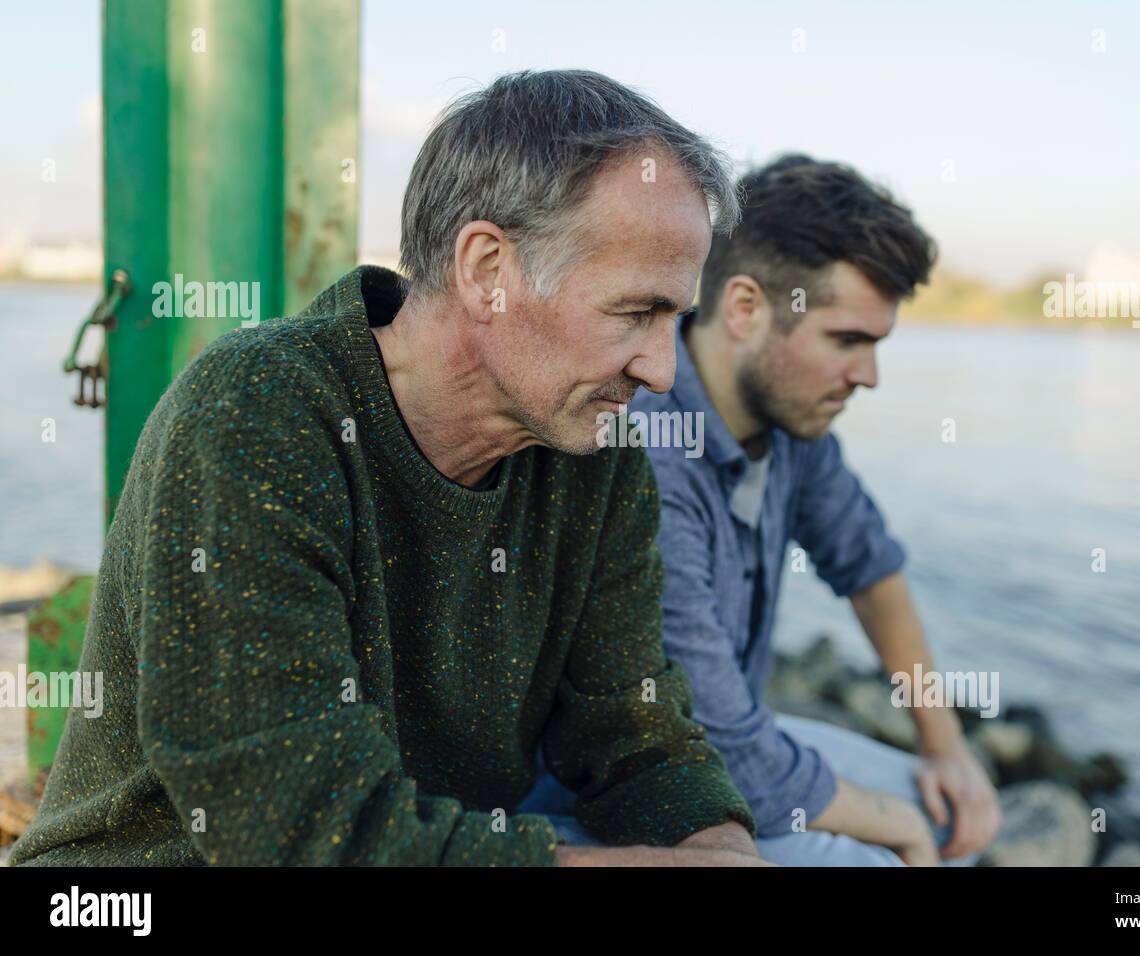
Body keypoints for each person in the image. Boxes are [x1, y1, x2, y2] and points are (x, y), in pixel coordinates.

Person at [12, 70, 765, 867]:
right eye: (635, 312)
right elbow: (291, 824)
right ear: (486, 270)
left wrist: (721, 845)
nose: (659, 370)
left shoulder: (594, 454)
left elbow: (632, 732)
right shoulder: (256, 410)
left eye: (675, 321)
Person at [628, 155, 1002, 865]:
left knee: (951, 817)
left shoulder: (792, 424)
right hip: (627, 788)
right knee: (886, 854)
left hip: (730, 746)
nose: (869, 377)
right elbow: (719, 749)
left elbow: (869, 567)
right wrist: (889, 823)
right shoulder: (651, 456)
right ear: (744, 308)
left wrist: (945, 745)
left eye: (877, 344)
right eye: (847, 341)